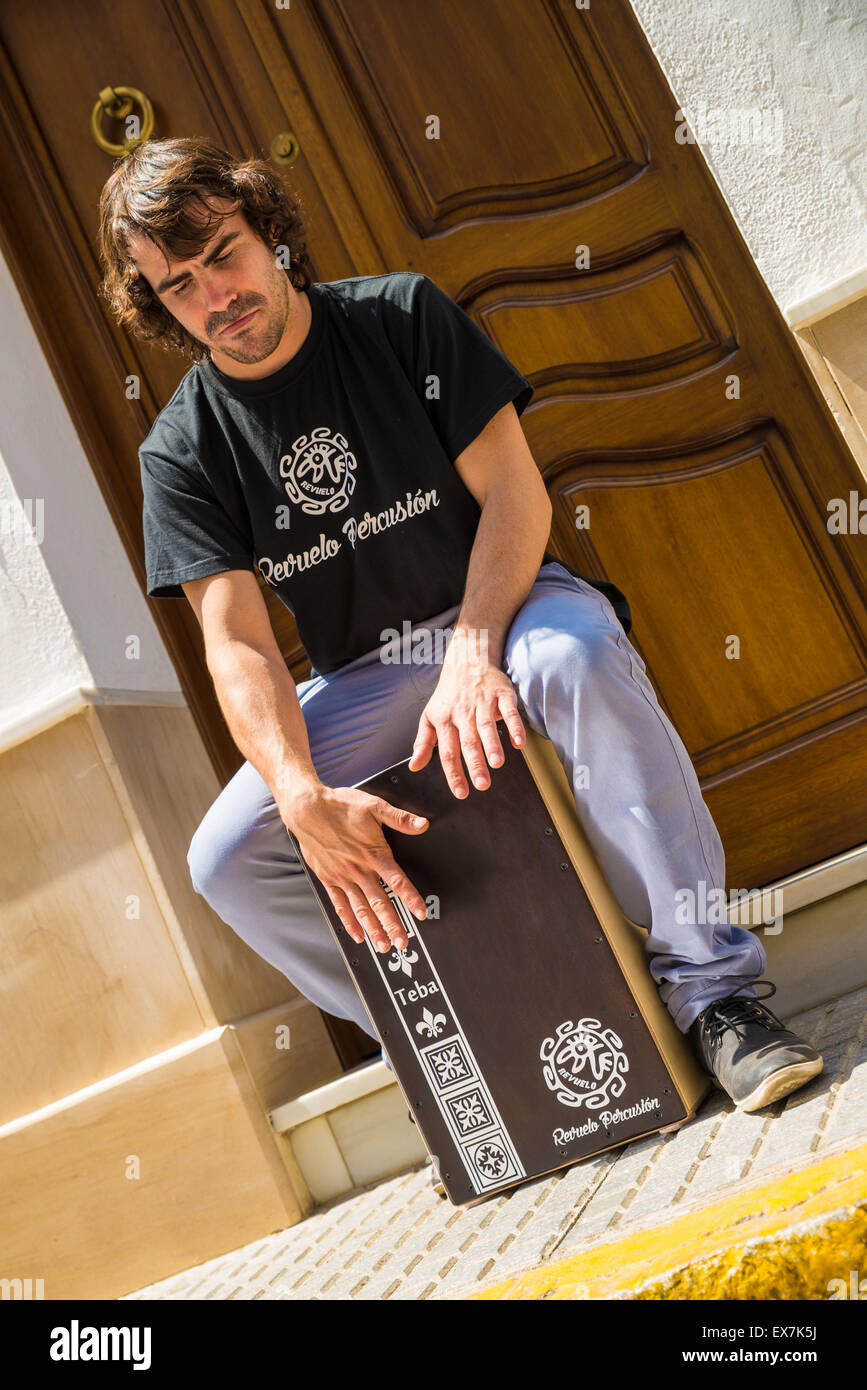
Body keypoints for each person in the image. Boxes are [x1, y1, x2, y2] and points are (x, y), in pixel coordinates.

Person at [98, 136, 822, 1126]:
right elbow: (237, 646)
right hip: (367, 675)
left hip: (510, 604)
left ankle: (714, 996)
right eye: (178, 286)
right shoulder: (180, 450)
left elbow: (517, 499)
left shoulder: (400, 316)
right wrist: (300, 790)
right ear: (157, 307)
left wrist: (477, 648)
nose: (215, 295)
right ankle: (470, 1034)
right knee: (231, 855)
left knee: (573, 659)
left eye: (223, 253)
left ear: (268, 228)